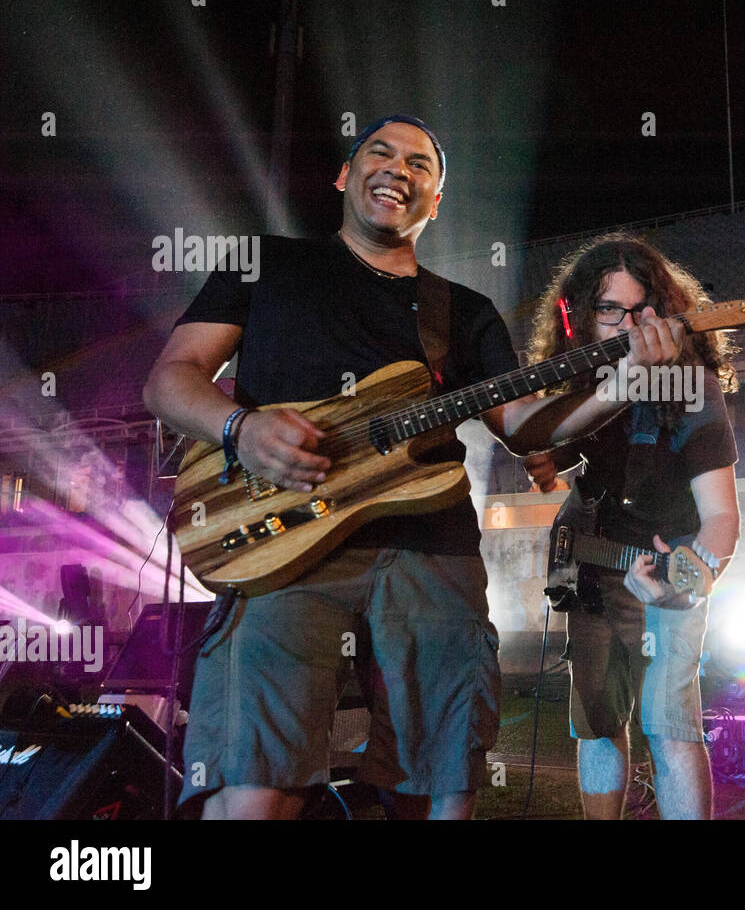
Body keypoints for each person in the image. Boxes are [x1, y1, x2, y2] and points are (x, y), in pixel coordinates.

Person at [142, 116, 684, 819]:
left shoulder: (462, 312)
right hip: (283, 542)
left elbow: (523, 429)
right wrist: (239, 427)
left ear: (434, 203)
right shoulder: (266, 263)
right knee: (253, 782)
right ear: (344, 173)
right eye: (381, 152)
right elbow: (169, 380)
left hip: (431, 545)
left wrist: (626, 380)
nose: (399, 168)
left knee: (442, 781)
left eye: (421, 164)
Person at [525, 234, 741, 820]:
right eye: (609, 310)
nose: (628, 323)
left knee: (670, 729)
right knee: (596, 726)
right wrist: (545, 457)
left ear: (666, 312)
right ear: (579, 319)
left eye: (642, 308)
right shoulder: (581, 384)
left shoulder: (691, 386)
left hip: (665, 584)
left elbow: (722, 516)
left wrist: (689, 580)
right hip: (587, 576)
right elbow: (549, 453)